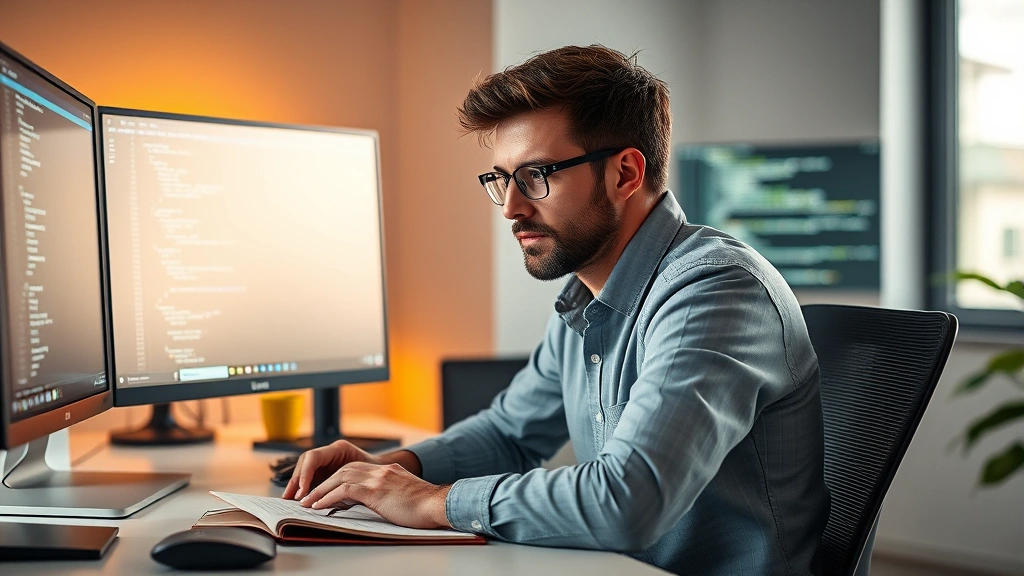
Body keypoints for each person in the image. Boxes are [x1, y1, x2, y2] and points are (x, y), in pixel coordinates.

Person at [283, 45, 830, 575]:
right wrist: (395, 468)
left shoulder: (714, 290)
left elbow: (627, 501)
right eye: (501, 180)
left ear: (625, 174)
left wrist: (431, 502)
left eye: (537, 175)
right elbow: (510, 434)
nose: (512, 208)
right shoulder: (588, 296)